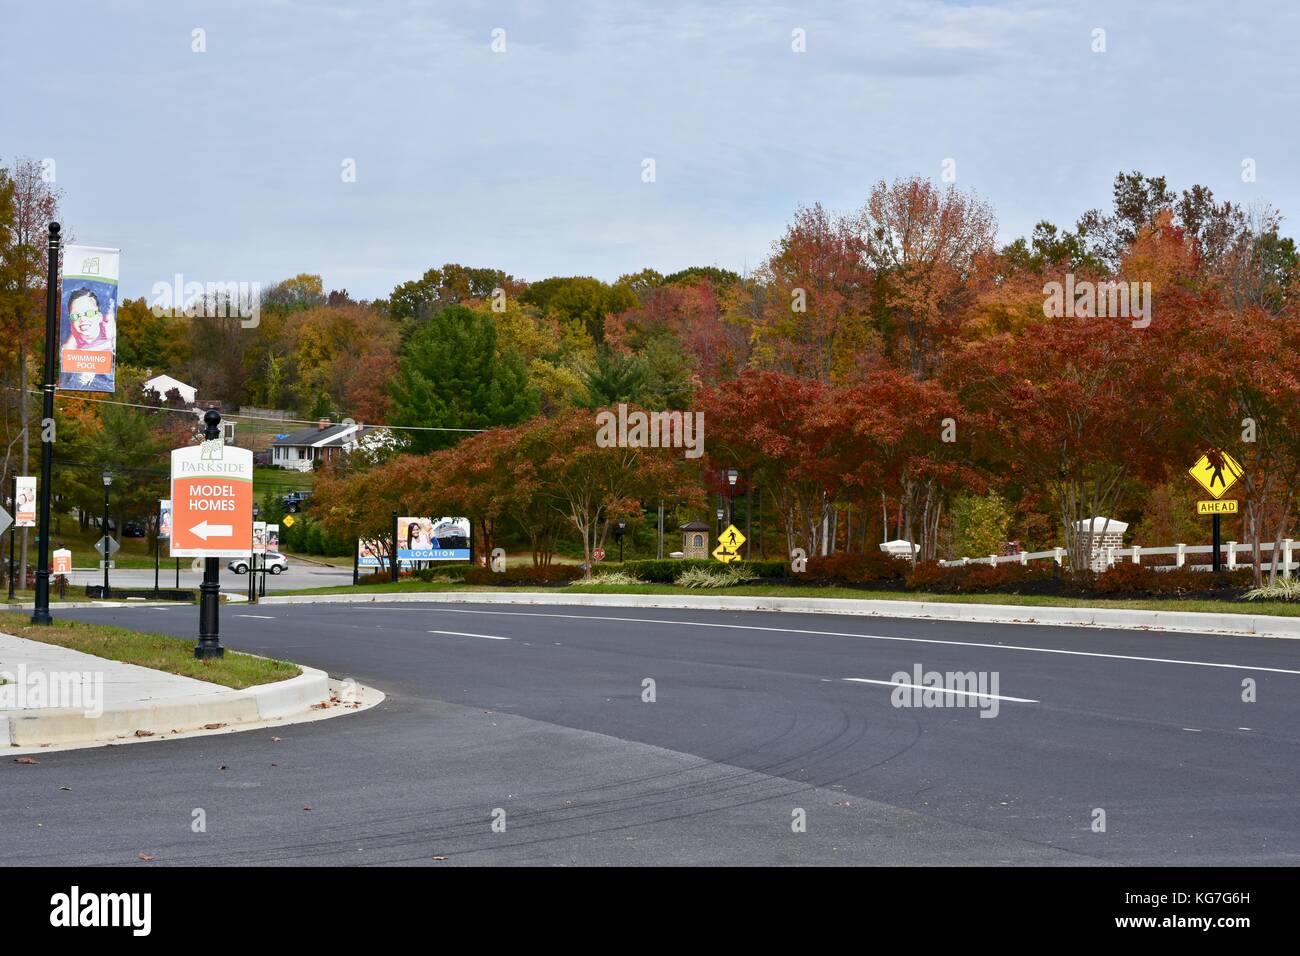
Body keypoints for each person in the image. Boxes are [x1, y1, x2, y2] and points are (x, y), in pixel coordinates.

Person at [59, 288, 115, 390]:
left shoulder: (109, 332)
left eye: (88, 313)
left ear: (99, 316)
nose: (82, 319)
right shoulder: (71, 341)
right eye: (76, 315)